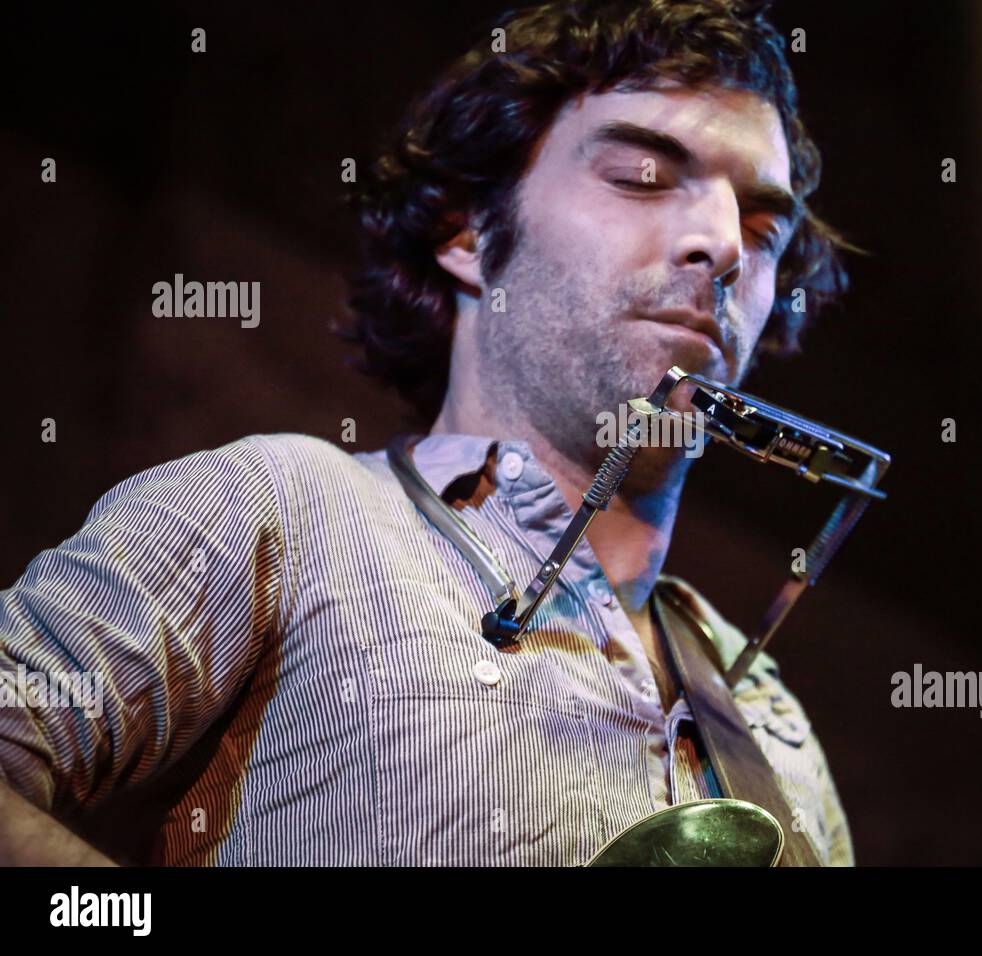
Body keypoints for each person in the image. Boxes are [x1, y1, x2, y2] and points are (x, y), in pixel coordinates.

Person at [0, 0, 860, 867]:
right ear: (469, 231)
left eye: (763, 226)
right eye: (641, 173)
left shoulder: (770, 717)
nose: (722, 245)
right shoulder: (284, 508)